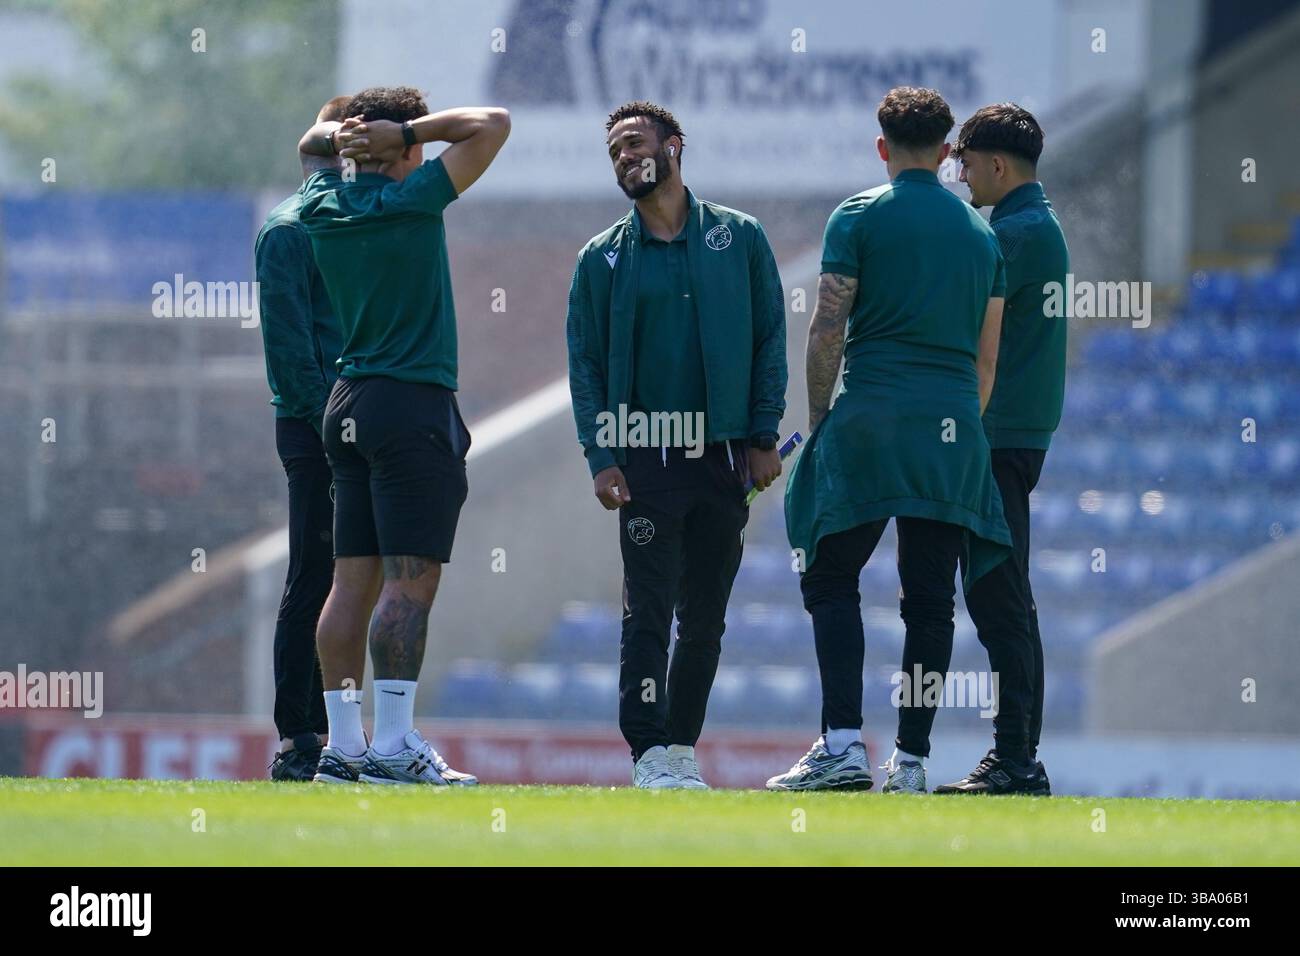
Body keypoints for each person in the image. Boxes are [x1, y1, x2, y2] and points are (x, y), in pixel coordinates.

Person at [768, 86, 1016, 794]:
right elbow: (986, 361)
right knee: (931, 598)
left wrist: (819, 420)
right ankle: (910, 761)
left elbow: (826, 326)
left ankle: (842, 744)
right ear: (946, 154)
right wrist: (958, 425)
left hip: (871, 416)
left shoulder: (858, 215)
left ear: (883, 148)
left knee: (828, 572)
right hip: (950, 428)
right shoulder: (980, 234)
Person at [566, 100, 787, 788]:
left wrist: (761, 433)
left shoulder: (740, 237)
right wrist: (600, 457)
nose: (625, 159)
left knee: (706, 619)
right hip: (643, 459)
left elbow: (768, 339)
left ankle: (682, 750)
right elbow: (586, 365)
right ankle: (647, 752)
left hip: (722, 459)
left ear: (675, 147)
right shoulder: (600, 258)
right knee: (648, 612)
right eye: (614, 153)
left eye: (635, 144)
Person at [295, 86, 510, 785]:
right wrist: (401, 130)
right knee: (409, 584)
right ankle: (393, 745)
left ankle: (344, 747)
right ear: (407, 149)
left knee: (349, 582)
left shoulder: (321, 203)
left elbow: (310, 143)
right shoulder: (410, 197)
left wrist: (352, 134)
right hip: (409, 404)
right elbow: (493, 125)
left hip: (346, 402)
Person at [935, 103, 1068, 796]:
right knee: (1003, 593)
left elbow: (960, 323)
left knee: (999, 596)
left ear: (996, 164)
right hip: (1013, 434)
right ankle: (1017, 755)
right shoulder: (1030, 228)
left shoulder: (1013, 234)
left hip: (997, 435)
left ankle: (1016, 758)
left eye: (964, 164)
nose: (959, 176)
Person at [258, 94, 351, 782]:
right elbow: (294, 356)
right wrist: (341, 427)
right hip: (325, 425)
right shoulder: (299, 229)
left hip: (332, 419)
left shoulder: (297, 227)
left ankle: (327, 734)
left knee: (334, 575)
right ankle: (302, 734)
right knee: (321, 574)